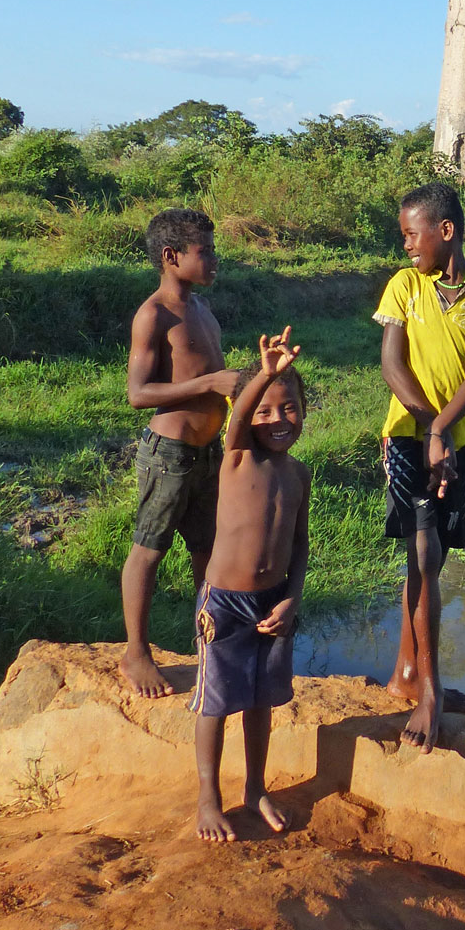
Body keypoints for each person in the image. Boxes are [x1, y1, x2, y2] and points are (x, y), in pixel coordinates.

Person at [374, 181, 465, 753]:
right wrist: (427, 426)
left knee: (430, 559)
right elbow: (392, 364)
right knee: (423, 556)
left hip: (456, 441)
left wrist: (444, 430)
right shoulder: (405, 285)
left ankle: (408, 673)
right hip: (409, 438)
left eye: (413, 234)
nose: (407, 244)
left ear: (447, 231)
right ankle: (429, 693)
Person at [192, 326, 310, 842]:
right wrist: (264, 375)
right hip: (224, 605)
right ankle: (208, 798)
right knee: (215, 703)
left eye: (289, 409)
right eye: (264, 410)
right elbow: (238, 417)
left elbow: (300, 545)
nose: (277, 420)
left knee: (260, 701)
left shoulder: (299, 474)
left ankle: (256, 787)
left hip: (271, 604)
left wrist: (292, 600)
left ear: (304, 412)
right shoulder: (238, 458)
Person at [122, 208, 236, 698]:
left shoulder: (201, 309)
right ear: (171, 257)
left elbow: (217, 378)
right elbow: (138, 393)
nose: (213, 260)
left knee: (208, 553)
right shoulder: (155, 315)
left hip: (207, 453)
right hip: (169, 453)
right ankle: (136, 653)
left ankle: (210, 645)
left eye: (213, 250)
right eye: (203, 252)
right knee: (149, 550)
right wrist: (209, 383)